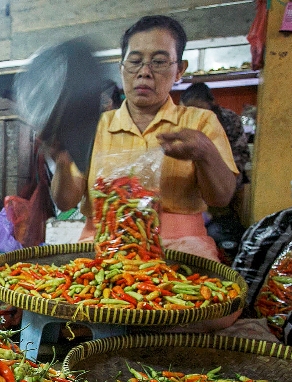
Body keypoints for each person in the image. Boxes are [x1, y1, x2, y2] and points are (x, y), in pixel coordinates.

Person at [51, 15, 239, 261]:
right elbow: (66, 203)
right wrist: (62, 161)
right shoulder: (94, 128)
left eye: (159, 62)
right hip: (101, 247)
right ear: (121, 68)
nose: (144, 73)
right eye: (135, 61)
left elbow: (221, 198)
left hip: (181, 250)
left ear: (180, 70)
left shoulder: (200, 123)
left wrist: (205, 153)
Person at [180, 82, 250, 182]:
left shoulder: (229, 119)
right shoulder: (184, 120)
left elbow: (240, 155)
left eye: (199, 109)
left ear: (212, 102)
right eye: (190, 111)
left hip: (228, 175)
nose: (196, 115)